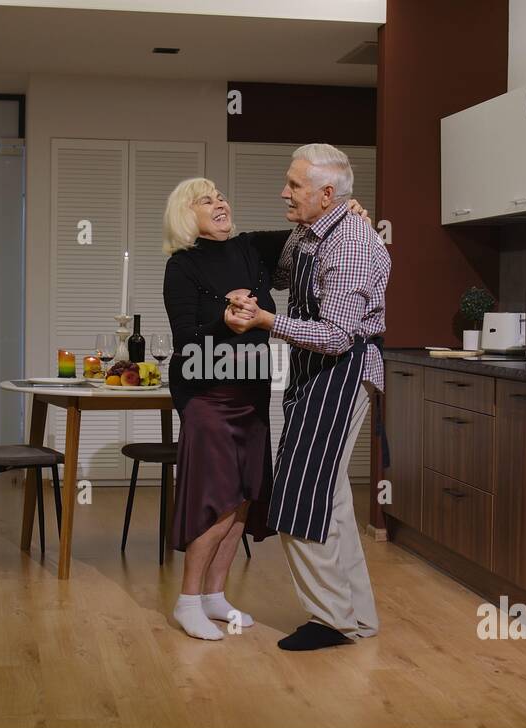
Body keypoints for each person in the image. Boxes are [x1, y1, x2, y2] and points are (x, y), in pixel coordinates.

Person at [161, 177, 371, 642]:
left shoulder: (253, 248)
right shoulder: (182, 266)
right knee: (215, 502)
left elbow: (319, 229)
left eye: (220, 195)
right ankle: (188, 600)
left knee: (243, 498)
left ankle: (216, 595)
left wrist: (351, 210)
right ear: (185, 215)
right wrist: (225, 320)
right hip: (207, 395)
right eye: (206, 200)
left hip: (251, 394)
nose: (219, 203)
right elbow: (185, 341)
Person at [224, 144, 390, 652]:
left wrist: (265, 321)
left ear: (325, 193)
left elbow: (338, 335)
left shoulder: (352, 243)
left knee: (297, 497)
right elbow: (278, 273)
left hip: (342, 372)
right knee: (333, 501)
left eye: (294, 185)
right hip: (315, 374)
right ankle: (355, 617)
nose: (284, 191)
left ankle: (332, 619)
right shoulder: (311, 231)